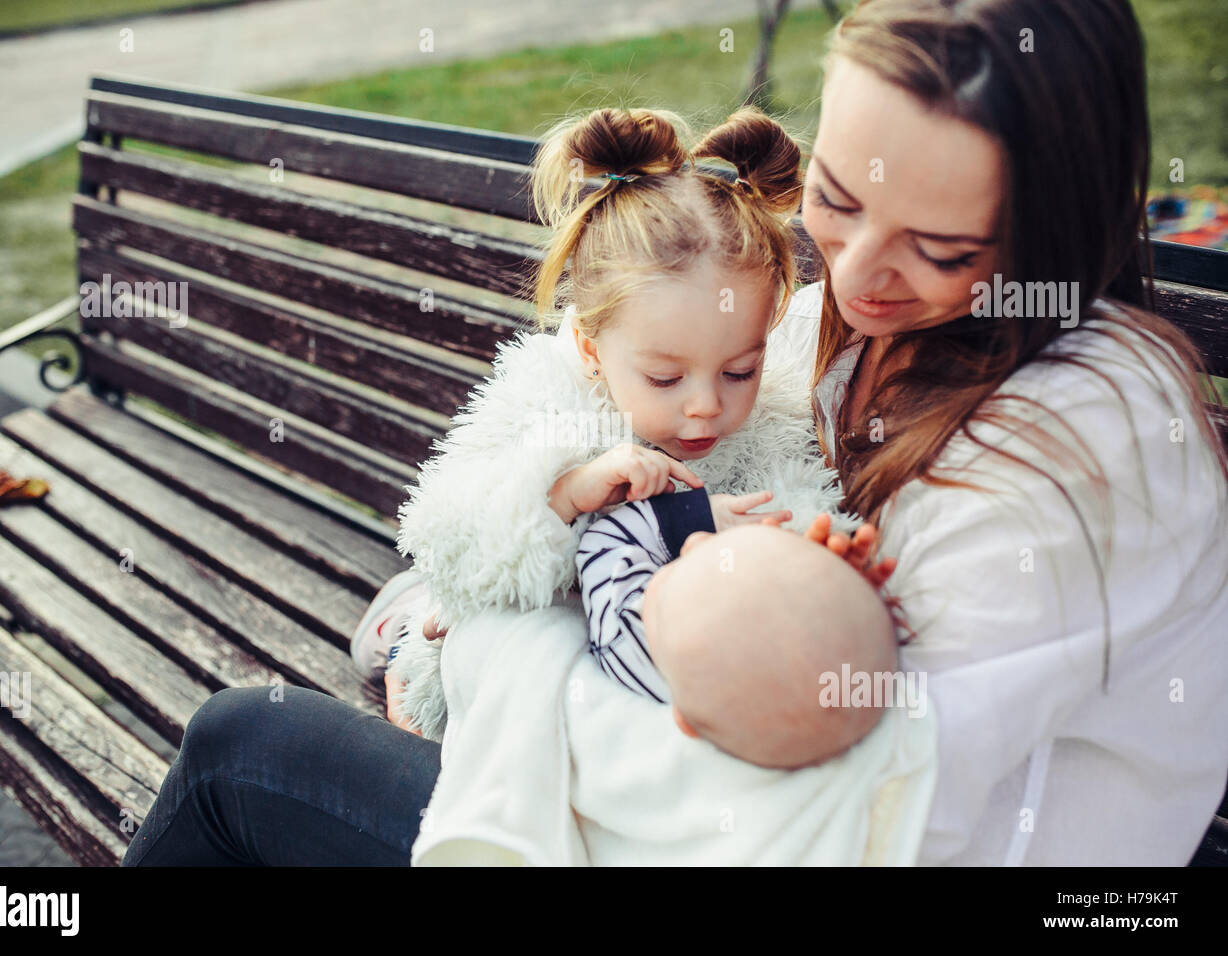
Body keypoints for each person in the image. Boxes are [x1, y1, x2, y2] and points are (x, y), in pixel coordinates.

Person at [122, 0, 1228, 867]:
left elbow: (826, 805)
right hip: (673, 786)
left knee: (241, 752)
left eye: (938, 248)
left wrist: (499, 642)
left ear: (1058, 228)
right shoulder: (840, 329)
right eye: (834, 199)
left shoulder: (1085, 450)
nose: (849, 271)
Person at [366, 105, 862, 740]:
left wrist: (824, 563)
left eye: (740, 370)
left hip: (628, 704)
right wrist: (566, 493)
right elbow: (448, 531)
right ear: (595, 350)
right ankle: (395, 620)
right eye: (665, 378)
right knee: (407, 625)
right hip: (474, 682)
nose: (706, 405)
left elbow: (799, 514)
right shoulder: (552, 400)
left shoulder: (775, 422)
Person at [576, 496, 898, 769]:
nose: (693, 542)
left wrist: (697, 514)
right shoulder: (753, 725)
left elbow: (601, 541)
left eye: (679, 568)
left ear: (685, 722)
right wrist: (835, 608)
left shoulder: (625, 635)